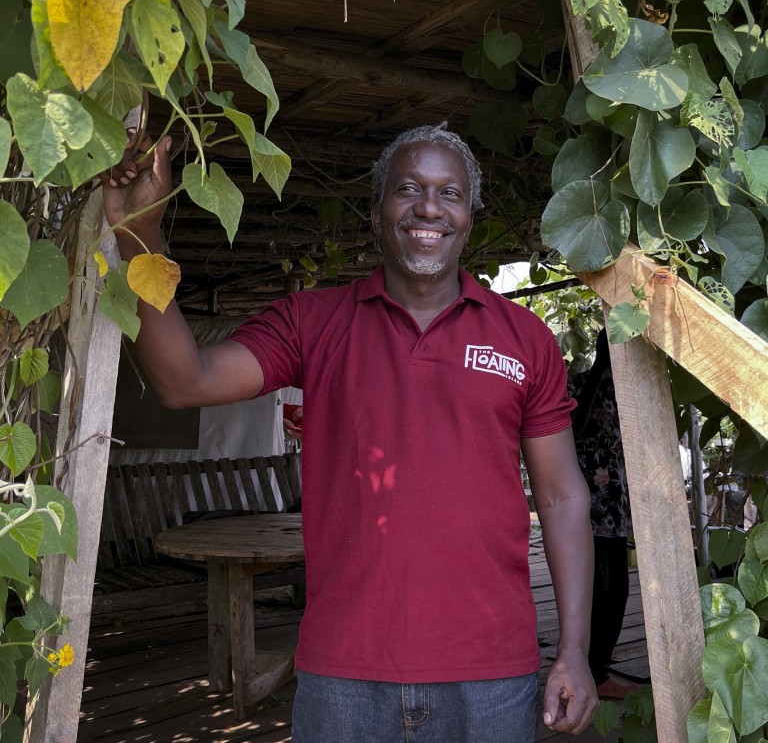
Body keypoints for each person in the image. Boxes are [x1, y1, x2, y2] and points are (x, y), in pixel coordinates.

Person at [102, 123, 598, 742]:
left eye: (449, 194)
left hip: (492, 673)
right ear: (375, 212)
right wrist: (139, 229)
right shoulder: (313, 321)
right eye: (408, 189)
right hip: (345, 674)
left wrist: (574, 650)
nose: (428, 207)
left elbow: (561, 496)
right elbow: (185, 380)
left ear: (469, 216)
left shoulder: (526, 339)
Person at [570, 328, 637, 700]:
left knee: (617, 592)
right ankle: (592, 673)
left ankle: (598, 670)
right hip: (587, 509)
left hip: (616, 508)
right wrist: (599, 367)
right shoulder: (582, 383)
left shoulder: (632, 388)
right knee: (596, 591)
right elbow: (574, 425)